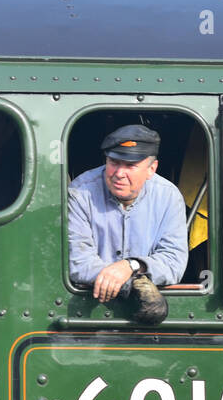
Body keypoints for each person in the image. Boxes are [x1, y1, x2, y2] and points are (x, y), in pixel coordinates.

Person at [68, 125, 188, 323]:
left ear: (152, 169)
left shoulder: (169, 196)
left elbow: (174, 261)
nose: (119, 173)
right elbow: (78, 262)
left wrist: (131, 265)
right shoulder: (80, 193)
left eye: (130, 166)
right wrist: (133, 283)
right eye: (113, 162)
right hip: (91, 315)